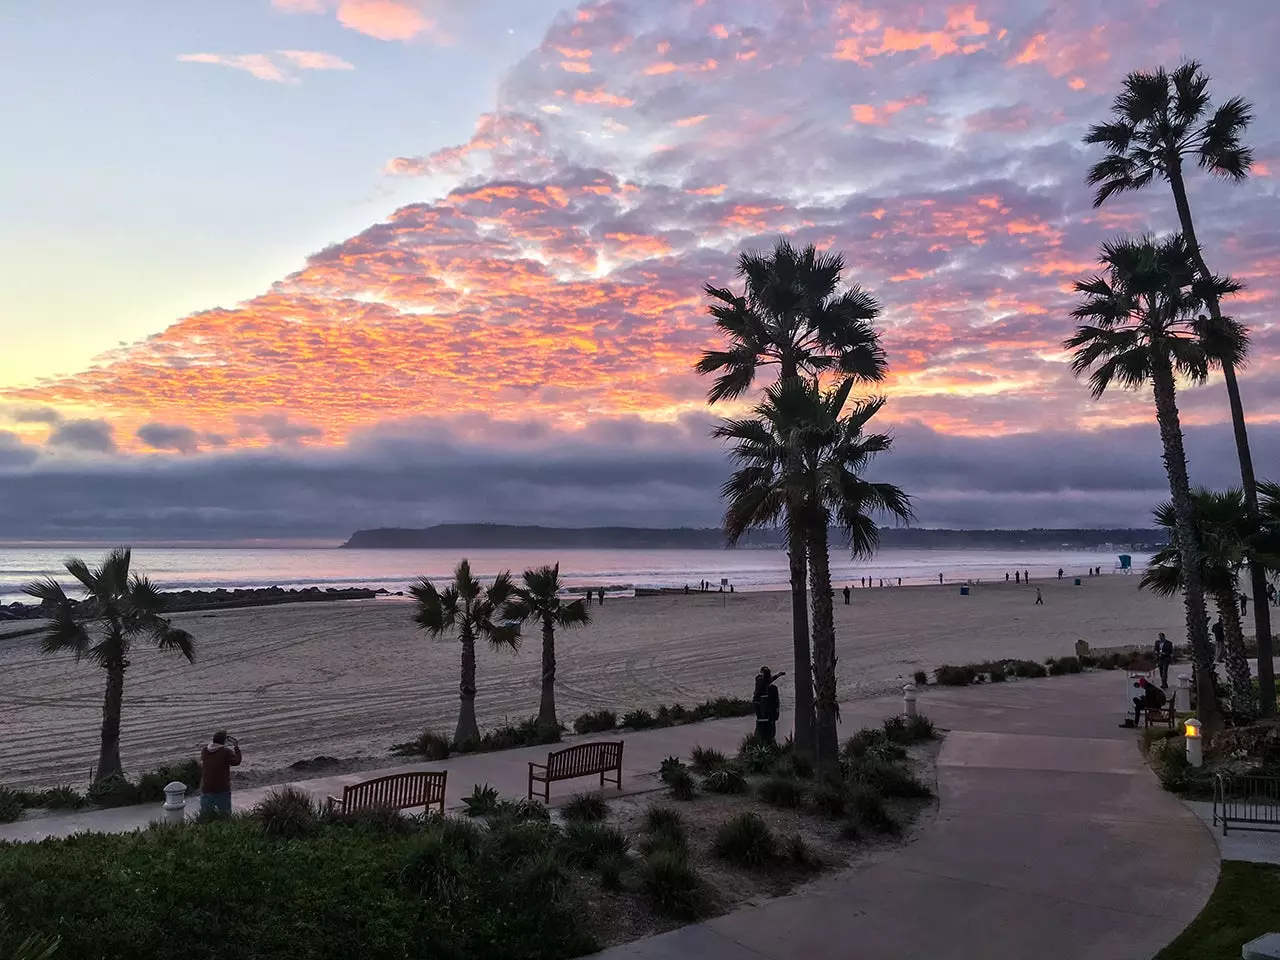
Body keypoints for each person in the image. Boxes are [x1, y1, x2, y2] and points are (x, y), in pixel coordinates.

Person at [199, 730, 242, 815]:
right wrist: (236, 748)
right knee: (225, 815)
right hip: (221, 788)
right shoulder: (225, 752)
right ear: (224, 741)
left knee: (206, 816)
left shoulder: (204, 751)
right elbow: (237, 761)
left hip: (206, 788)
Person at [753, 667, 782, 743]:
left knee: (763, 733)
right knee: (769, 733)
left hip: (763, 716)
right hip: (768, 716)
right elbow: (776, 702)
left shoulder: (759, 687)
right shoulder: (772, 689)